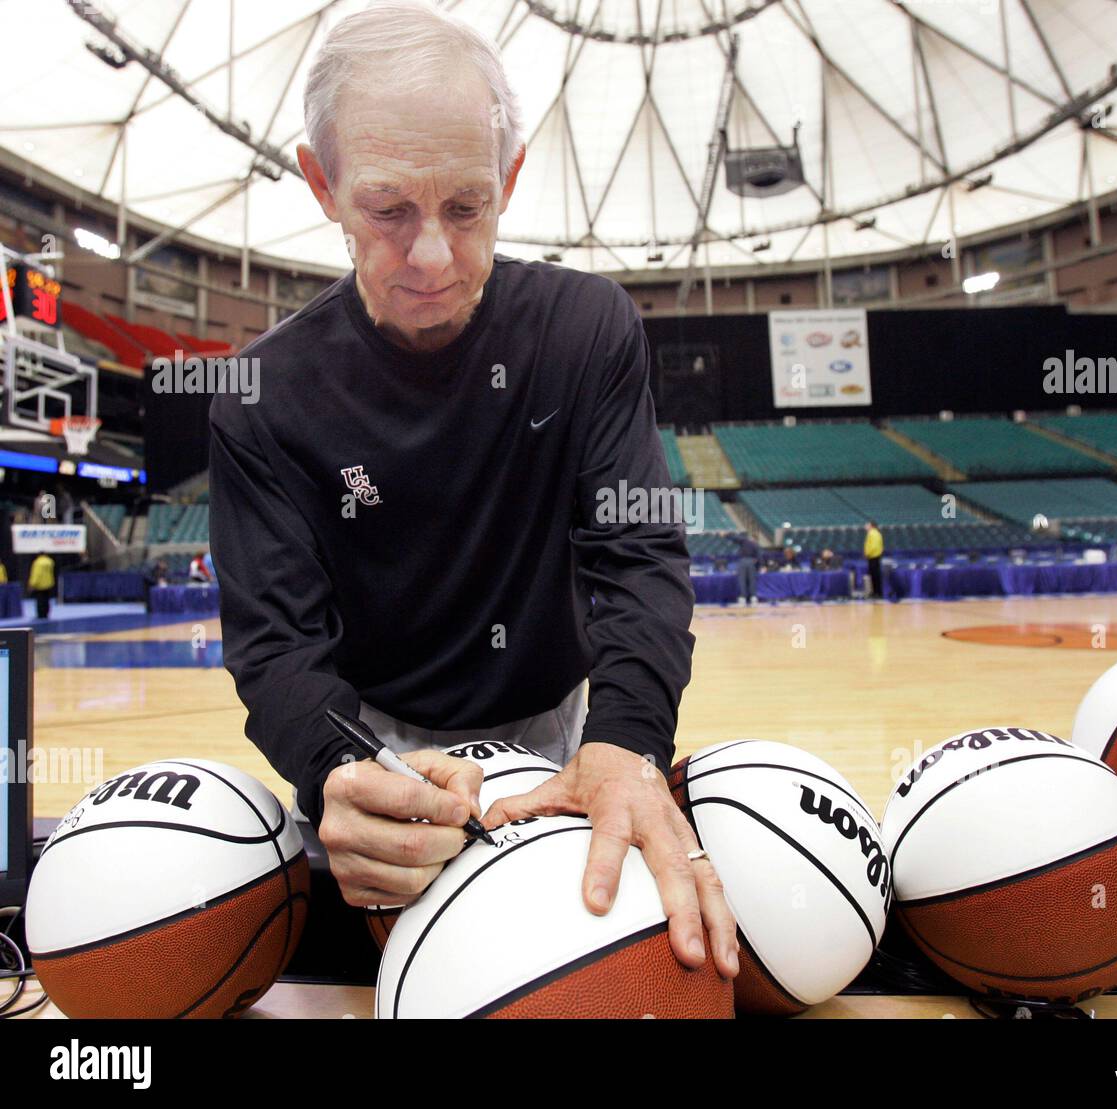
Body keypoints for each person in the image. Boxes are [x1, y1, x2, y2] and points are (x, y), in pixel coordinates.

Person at [208, 2, 736, 983]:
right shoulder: (260, 396)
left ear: (512, 177)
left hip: (563, 730)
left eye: (466, 206)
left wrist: (626, 739)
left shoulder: (586, 330)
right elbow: (277, 646)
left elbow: (640, 557)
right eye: (388, 209)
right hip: (365, 736)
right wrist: (337, 766)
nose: (433, 259)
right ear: (320, 182)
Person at [730, 532, 761, 605]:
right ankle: (752, 597)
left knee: (743, 580)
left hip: (744, 561)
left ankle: (744, 597)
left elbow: (736, 539)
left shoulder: (746, 541)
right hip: (750, 561)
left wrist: (728, 535)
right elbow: (759, 557)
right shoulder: (755, 544)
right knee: (751, 580)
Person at [28, 550, 55, 619]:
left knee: (40, 600)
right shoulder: (50, 561)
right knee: (46, 600)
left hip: (40, 585)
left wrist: (32, 583)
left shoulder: (37, 562)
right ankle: (46, 613)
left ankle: (41, 614)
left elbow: (37, 574)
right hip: (49, 583)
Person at [863, 519, 885, 600]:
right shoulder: (877, 533)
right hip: (875, 557)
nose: (865, 526)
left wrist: (867, 553)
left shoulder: (872, 533)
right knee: (874, 575)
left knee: (875, 576)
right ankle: (876, 592)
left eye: (867, 524)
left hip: (873, 557)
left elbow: (873, 546)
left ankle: (877, 593)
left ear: (871, 525)